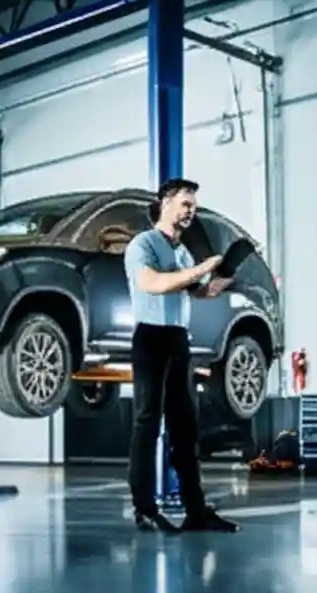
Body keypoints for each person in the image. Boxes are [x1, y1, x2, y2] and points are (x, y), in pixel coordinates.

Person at [123, 178, 240, 534]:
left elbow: (197, 292)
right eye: (186, 204)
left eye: (193, 206)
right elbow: (154, 284)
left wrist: (228, 277)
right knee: (147, 422)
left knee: (185, 428)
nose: (191, 212)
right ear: (166, 203)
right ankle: (144, 509)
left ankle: (196, 511)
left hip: (177, 340)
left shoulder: (182, 251)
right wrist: (202, 269)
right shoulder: (142, 244)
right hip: (150, 339)